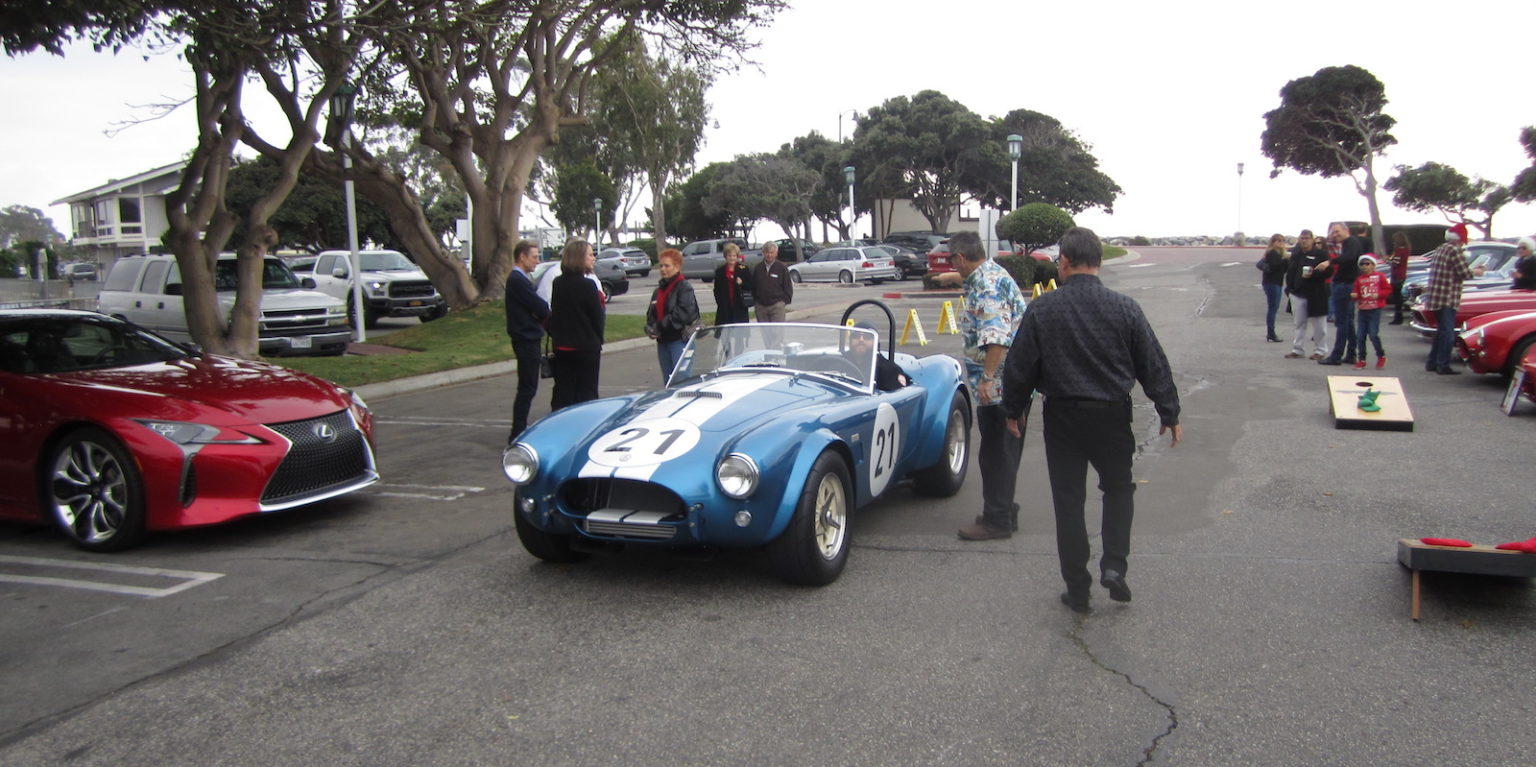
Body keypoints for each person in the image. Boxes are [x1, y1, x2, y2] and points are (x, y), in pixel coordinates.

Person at [1001, 227, 1181, 614]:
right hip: (1112, 416)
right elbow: (1152, 362)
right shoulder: (1125, 308)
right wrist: (1169, 410)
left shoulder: (1044, 309)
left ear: (1064, 262)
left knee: (1068, 501)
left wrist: (1013, 409)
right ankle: (1114, 566)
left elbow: (1020, 366)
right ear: (1098, 261)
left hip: (1063, 416)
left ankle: (1077, 587)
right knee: (1118, 490)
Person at [951, 231, 1028, 541]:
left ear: (961, 258)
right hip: (1015, 381)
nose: (954, 268)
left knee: (995, 452)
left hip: (999, 384)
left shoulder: (986, 285)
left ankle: (996, 521)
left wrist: (987, 379)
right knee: (1006, 451)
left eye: (953, 262)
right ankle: (1004, 509)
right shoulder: (992, 274)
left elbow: (997, 336)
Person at [546, 239, 605, 407]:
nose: (593, 258)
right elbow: (597, 317)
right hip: (585, 347)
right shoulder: (587, 285)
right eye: (590, 254)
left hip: (563, 346)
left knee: (564, 390)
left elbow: (556, 313)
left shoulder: (558, 283)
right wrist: (598, 339)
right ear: (579, 258)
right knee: (587, 391)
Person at [1422, 223, 1483, 375]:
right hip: (1448, 297)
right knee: (1448, 333)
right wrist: (1477, 271)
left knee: (1441, 331)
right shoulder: (1455, 251)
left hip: (1435, 296)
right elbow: (1464, 273)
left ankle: (1432, 362)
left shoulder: (1440, 248)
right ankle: (1443, 365)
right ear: (1460, 238)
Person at [504, 239, 550, 441]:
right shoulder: (517, 280)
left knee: (528, 386)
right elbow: (540, 307)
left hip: (529, 336)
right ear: (522, 257)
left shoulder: (522, 279)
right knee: (527, 387)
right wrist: (539, 313)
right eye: (534, 257)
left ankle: (519, 427)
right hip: (525, 338)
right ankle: (518, 431)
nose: (537, 261)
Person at [646, 249, 699, 381]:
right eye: (661, 266)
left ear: (677, 266)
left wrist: (659, 326)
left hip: (680, 340)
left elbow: (682, 315)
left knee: (681, 380)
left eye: (667, 266)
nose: (663, 269)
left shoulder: (684, 287)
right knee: (668, 382)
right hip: (663, 341)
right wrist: (650, 328)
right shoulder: (658, 290)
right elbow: (651, 314)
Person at [1319, 222, 1365, 366]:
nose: (1335, 234)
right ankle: (1351, 353)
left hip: (1344, 285)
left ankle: (1336, 355)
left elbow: (1349, 257)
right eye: (1333, 232)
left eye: (1337, 231)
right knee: (1349, 321)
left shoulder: (1351, 242)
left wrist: (1329, 262)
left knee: (1342, 321)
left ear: (1346, 230)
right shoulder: (1349, 243)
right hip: (1347, 284)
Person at [1284, 230, 1330, 360]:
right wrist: (1289, 289)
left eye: (1307, 238)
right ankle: (1297, 349)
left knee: (1319, 325)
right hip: (1297, 293)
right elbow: (1290, 272)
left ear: (1312, 240)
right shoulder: (1296, 253)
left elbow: (1328, 272)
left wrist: (1314, 274)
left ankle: (1320, 350)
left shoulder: (1320, 254)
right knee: (1299, 324)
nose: (1304, 240)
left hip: (1316, 294)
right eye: (1302, 238)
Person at [1351, 255, 1391, 369]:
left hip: (1375, 309)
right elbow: (1356, 292)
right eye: (1362, 264)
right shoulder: (1359, 279)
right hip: (1363, 310)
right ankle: (1362, 359)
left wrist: (1378, 295)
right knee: (1360, 336)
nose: (1364, 267)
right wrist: (1354, 295)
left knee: (1373, 334)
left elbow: (1388, 289)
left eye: (1367, 264)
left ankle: (1381, 355)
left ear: (1373, 265)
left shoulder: (1380, 276)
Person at [845, 321, 909, 391]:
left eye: (867, 337)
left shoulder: (890, 370)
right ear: (850, 340)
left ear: (875, 342)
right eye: (856, 336)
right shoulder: (839, 362)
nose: (861, 340)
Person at [751, 242, 793, 323]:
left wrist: (783, 302)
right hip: (761, 307)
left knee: (777, 334)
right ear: (763, 253)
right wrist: (756, 302)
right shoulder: (757, 268)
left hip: (777, 306)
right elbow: (753, 286)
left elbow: (788, 287)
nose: (769, 255)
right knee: (765, 334)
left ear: (776, 253)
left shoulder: (782, 267)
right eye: (767, 252)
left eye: (771, 252)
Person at [713, 243, 753, 325]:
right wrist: (720, 303)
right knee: (725, 334)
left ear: (737, 256)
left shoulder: (744, 269)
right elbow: (716, 290)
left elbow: (751, 286)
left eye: (734, 256)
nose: (732, 258)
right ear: (725, 256)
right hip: (724, 308)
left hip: (740, 307)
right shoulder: (720, 271)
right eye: (729, 255)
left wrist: (742, 283)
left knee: (739, 334)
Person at [1259, 233, 1288, 342]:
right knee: (1272, 307)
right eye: (1278, 241)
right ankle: (1271, 333)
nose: (1281, 243)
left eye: (1282, 241)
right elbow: (1275, 266)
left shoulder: (1280, 253)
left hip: (1277, 282)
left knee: (1274, 307)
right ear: (1273, 242)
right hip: (1271, 283)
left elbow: (1283, 270)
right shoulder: (1272, 253)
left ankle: (1271, 332)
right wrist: (1285, 260)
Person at [1386, 231, 1413, 324]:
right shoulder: (1406, 250)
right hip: (1402, 275)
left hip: (1397, 275)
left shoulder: (1399, 251)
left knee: (1397, 297)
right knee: (1398, 297)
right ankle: (1398, 316)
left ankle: (1398, 317)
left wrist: (1388, 261)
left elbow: (1395, 263)